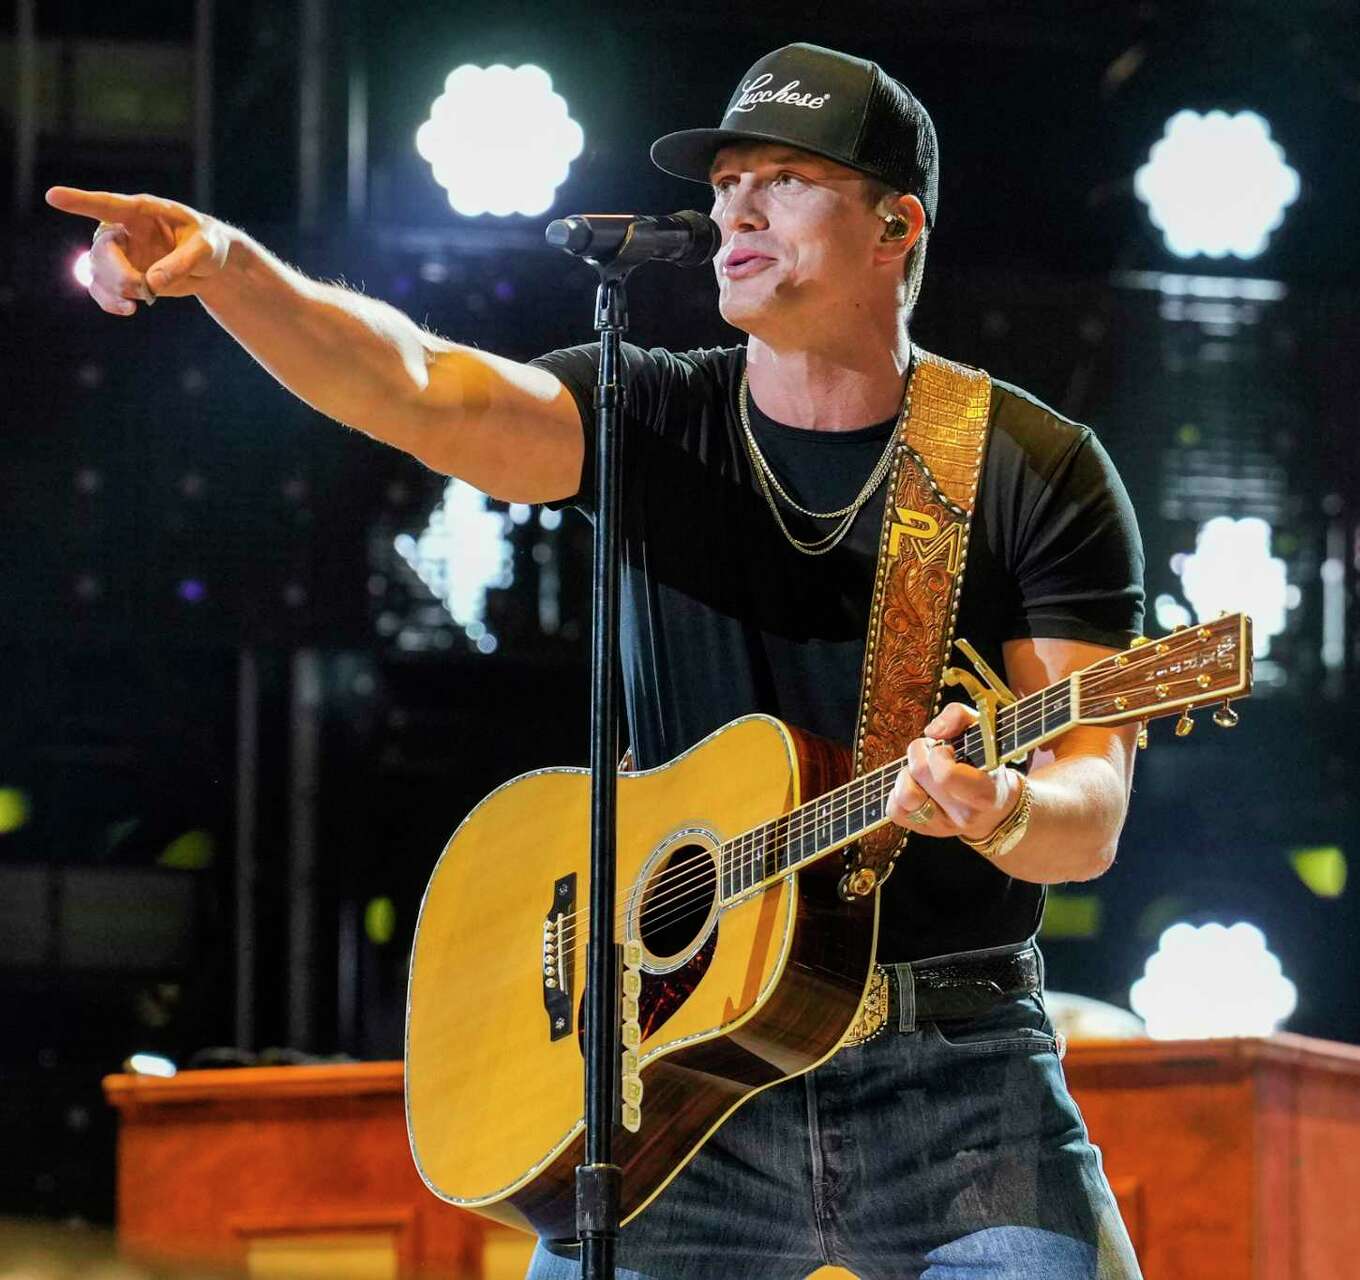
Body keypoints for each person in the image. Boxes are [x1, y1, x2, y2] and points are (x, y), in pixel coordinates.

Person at [51, 40, 1146, 1280]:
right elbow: (419, 386)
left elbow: (1090, 802)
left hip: (952, 1072)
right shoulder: (648, 413)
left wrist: (1000, 806)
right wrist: (238, 274)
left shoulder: (1030, 466)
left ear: (897, 224)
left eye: (784, 179)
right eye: (728, 180)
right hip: (669, 1059)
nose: (735, 205)